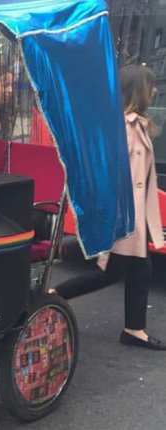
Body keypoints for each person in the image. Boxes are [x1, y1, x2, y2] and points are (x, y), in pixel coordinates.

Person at [54, 65, 166, 350]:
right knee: (112, 271)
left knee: (140, 269)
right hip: (124, 218)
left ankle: (134, 329)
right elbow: (109, 177)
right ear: (138, 90)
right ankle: (55, 294)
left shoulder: (136, 125)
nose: (155, 90)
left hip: (133, 218)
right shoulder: (125, 129)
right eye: (151, 85)